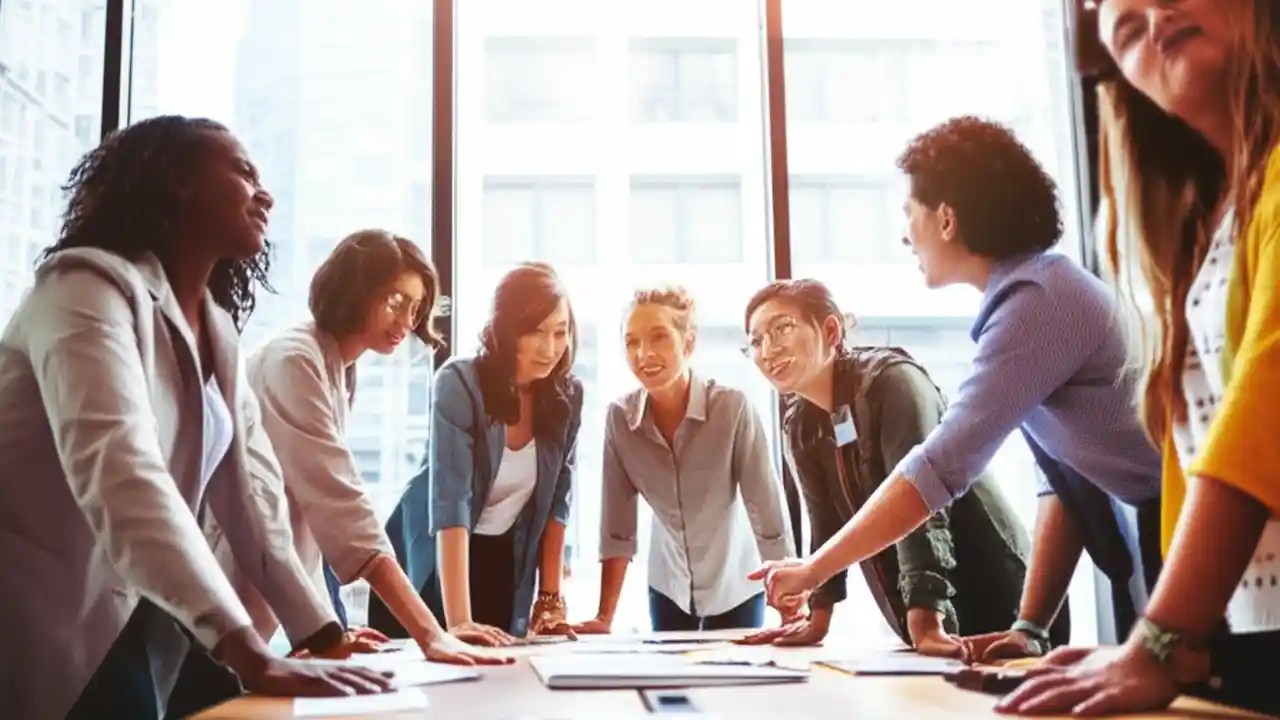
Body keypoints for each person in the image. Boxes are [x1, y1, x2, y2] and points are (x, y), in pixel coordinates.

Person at [0, 116, 392, 720]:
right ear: (178, 180)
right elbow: (123, 474)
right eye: (242, 171)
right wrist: (250, 653)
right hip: (43, 612)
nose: (263, 193)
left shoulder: (215, 332)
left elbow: (253, 507)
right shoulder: (81, 288)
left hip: (132, 613)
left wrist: (322, 635)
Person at [752, 117, 1164, 664]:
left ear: (946, 219)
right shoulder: (1030, 298)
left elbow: (937, 471)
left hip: (1200, 531)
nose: (906, 236)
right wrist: (1032, 627)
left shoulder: (1038, 303)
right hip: (1160, 537)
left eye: (910, 216)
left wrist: (811, 570)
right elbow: (1062, 483)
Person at [999, 1, 1280, 715]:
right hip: (1252, 631)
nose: (1153, 17)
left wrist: (1161, 637)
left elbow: (1265, 408)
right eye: (1125, 27)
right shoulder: (1219, 217)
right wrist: (1185, 641)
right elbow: (1200, 448)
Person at [738, 279, 1051, 656]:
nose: (768, 349)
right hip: (919, 625)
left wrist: (926, 622)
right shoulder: (801, 421)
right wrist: (817, 620)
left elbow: (923, 506)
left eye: (782, 328)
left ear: (831, 330)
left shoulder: (892, 382)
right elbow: (825, 522)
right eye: (756, 341)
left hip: (1002, 601)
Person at [240, 229, 510, 666]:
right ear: (354, 290)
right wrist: (431, 634)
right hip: (216, 591)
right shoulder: (294, 359)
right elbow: (338, 503)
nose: (407, 320)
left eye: (416, 307)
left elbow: (310, 517)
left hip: (259, 597)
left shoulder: (339, 368)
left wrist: (330, 627)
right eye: (395, 301)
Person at [373, 262, 582, 642]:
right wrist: (459, 622)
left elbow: (557, 503)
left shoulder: (566, 396)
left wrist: (550, 603)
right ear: (506, 329)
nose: (550, 348)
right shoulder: (459, 382)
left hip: (502, 557)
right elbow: (451, 502)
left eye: (560, 332)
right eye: (535, 332)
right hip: (433, 559)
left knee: (501, 678)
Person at [571, 287, 793, 634]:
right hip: (668, 589)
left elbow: (767, 512)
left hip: (737, 585)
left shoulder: (731, 408)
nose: (644, 354)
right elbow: (617, 526)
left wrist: (793, 607)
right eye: (631, 342)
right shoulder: (620, 419)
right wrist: (604, 617)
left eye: (658, 337)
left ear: (688, 343)